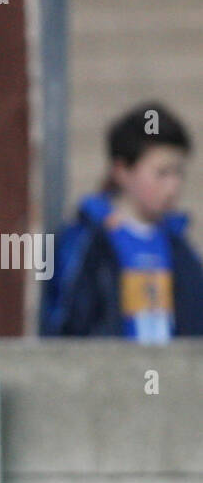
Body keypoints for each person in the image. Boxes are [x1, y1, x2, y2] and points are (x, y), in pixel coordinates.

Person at [41, 102, 202, 339]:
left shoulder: (179, 247)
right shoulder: (85, 244)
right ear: (122, 171)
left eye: (178, 173)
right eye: (162, 173)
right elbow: (63, 325)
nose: (173, 186)